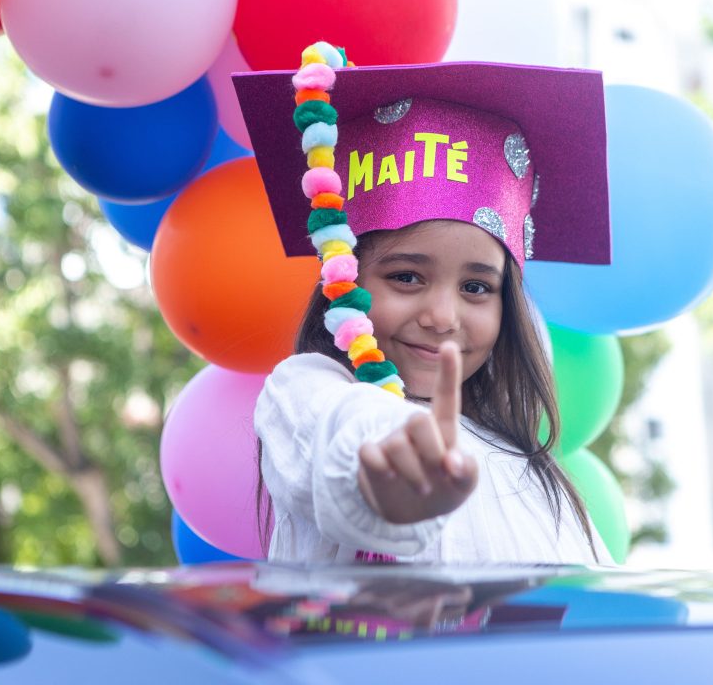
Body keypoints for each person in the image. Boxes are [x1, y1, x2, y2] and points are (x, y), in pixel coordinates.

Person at [233, 45, 614, 565]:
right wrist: (388, 468)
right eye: (406, 277)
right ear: (346, 277)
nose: (441, 317)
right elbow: (341, 438)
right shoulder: (306, 392)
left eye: (476, 288)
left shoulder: (534, 473)